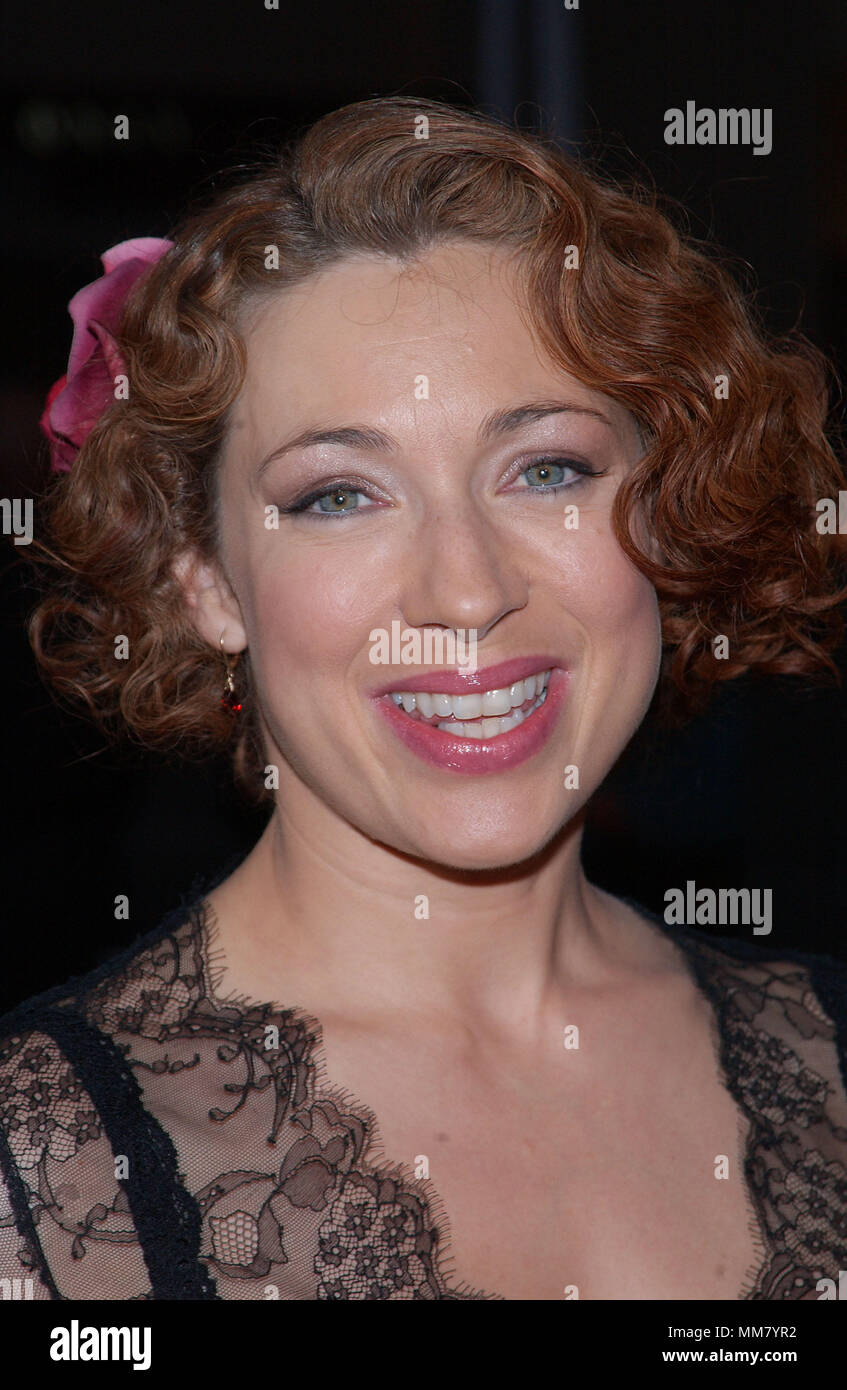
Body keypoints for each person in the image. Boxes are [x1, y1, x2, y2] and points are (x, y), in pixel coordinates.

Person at [1, 95, 846, 1302]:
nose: (464, 589)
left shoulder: (829, 1051)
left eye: (544, 468)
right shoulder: (39, 1174)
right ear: (206, 581)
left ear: (667, 519)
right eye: (339, 494)